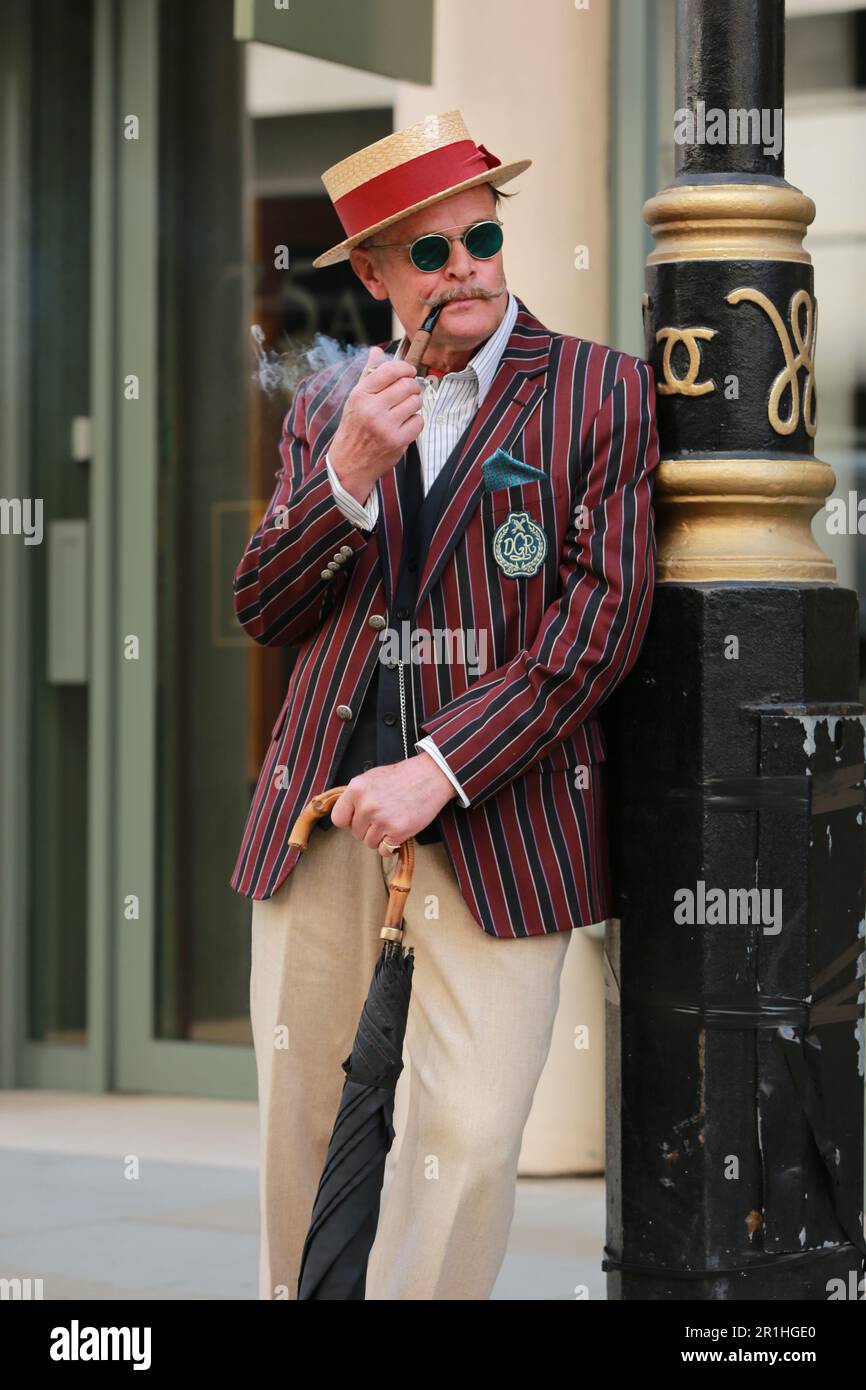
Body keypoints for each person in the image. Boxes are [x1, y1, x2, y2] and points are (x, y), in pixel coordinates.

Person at [231, 110, 660, 1300]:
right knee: (302, 1129)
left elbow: (598, 632)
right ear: (372, 274)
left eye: (478, 234)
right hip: (318, 816)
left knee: (465, 1139)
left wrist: (440, 763)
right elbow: (261, 604)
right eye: (427, 250)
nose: (462, 264)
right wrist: (345, 479)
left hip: (499, 813)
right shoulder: (327, 406)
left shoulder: (600, 393)